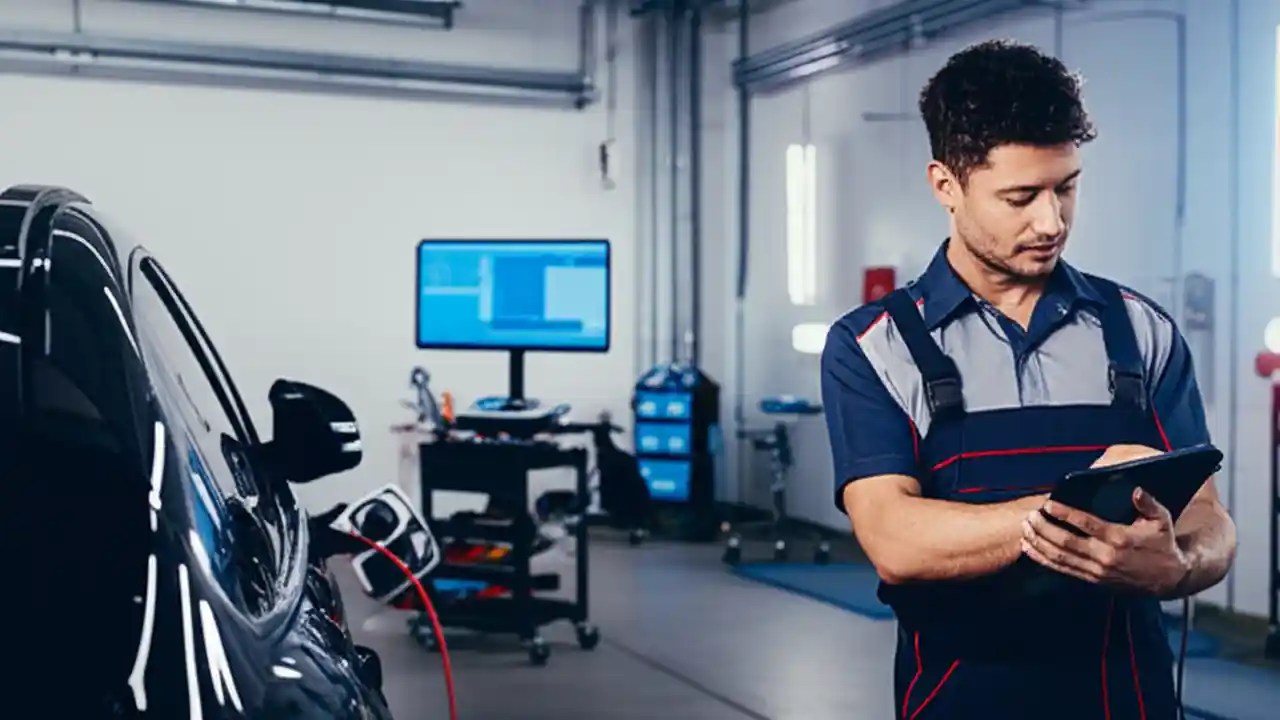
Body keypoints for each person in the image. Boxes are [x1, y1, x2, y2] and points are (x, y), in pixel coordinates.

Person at [819, 40, 1237, 720]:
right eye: (1020, 197)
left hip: (1129, 700)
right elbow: (895, 539)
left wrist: (1181, 566)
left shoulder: (1142, 332)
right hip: (960, 703)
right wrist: (1084, 513)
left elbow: (1207, 519)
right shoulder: (874, 347)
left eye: (1065, 188)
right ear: (945, 186)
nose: (1051, 222)